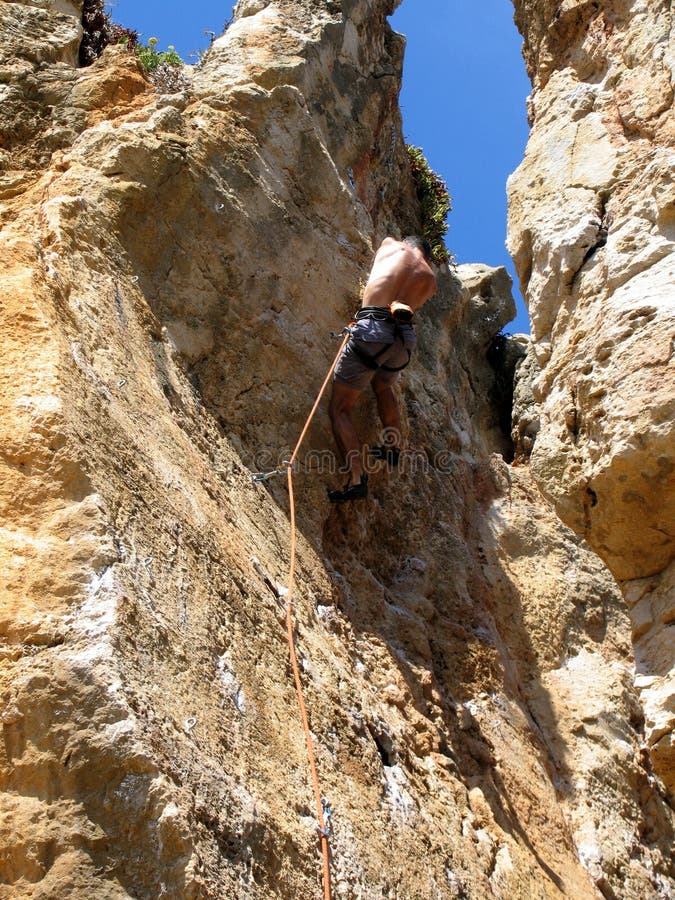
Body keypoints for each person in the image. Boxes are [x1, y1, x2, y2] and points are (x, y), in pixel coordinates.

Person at [328, 235, 437, 503]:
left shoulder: (391, 244)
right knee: (383, 384)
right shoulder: (431, 279)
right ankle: (392, 445)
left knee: (339, 408)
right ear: (426, 256)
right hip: (404, 340)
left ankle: (356, 478)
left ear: (407, 242)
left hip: (373, 328)